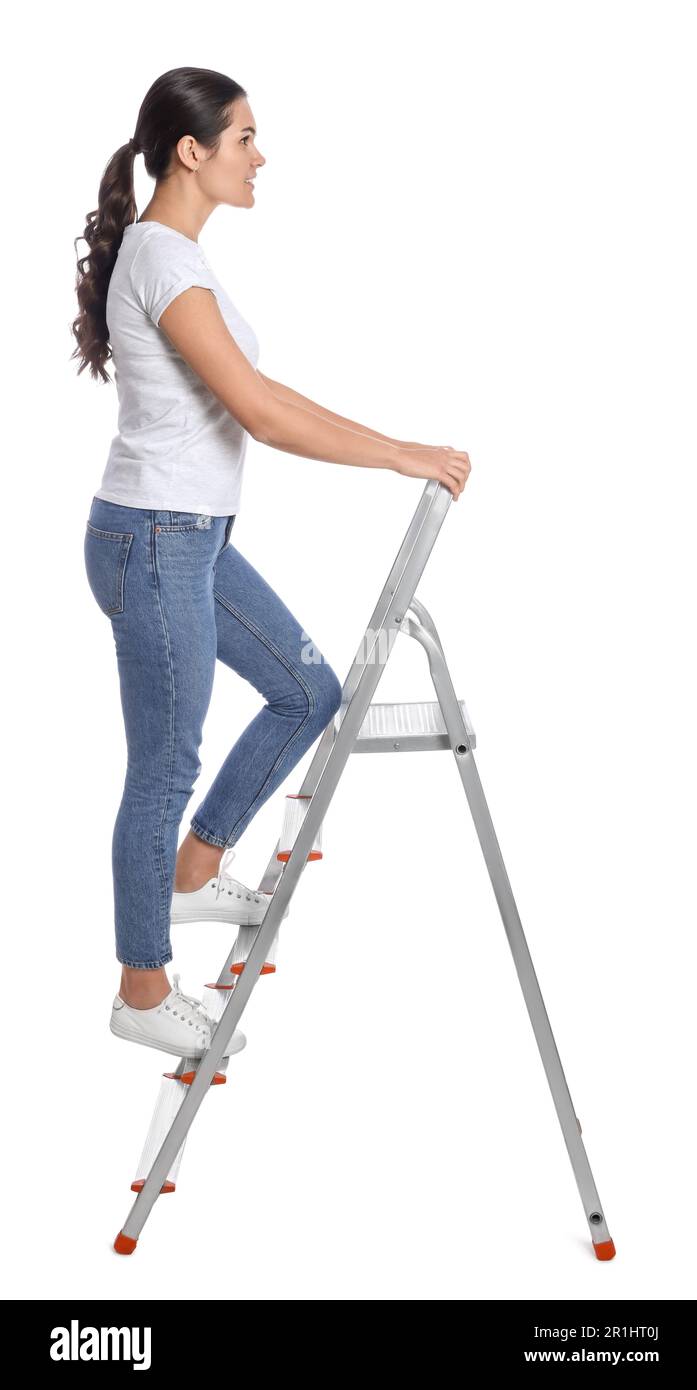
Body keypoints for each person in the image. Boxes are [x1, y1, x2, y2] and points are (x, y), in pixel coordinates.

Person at [71, 66, 471, 1061]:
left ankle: (197, 869)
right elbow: (257, 410)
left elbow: (259, 390)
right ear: (192, 152)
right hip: (154, 541)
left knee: (306, 688)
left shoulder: (174, 256)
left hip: (189, 538)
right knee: (161, 770)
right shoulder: (165, 260)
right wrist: (399, 452)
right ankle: (142, 986)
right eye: (246, 138)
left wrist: (395, 443)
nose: (261, 157)